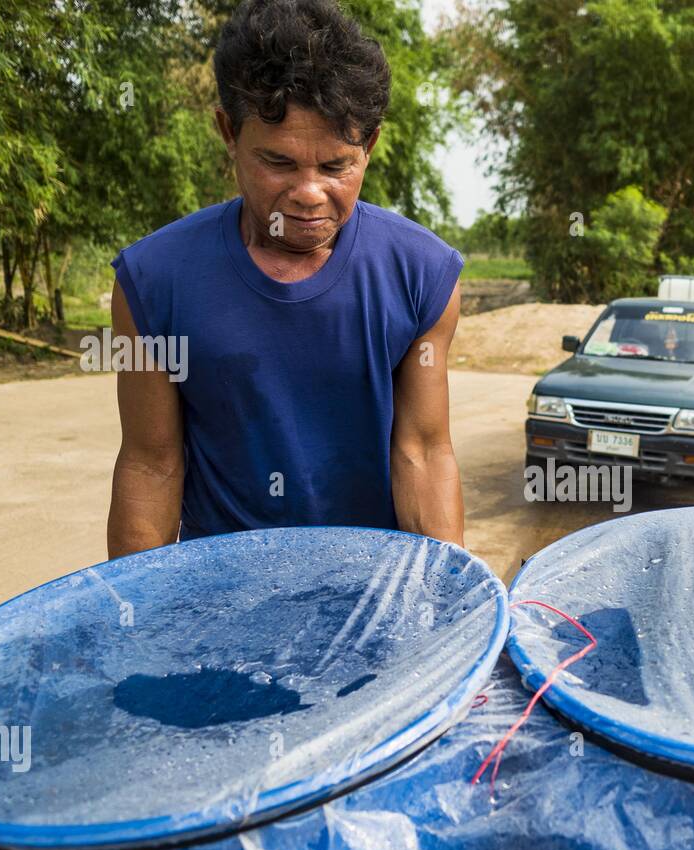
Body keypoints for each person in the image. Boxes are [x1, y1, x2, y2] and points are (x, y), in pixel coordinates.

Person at [107, 0, 464, 558]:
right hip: (222, 598)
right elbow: (151, 464)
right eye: (278, 162)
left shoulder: (422, 274)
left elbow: (422, 450)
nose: (308, 193)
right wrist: (138, 622)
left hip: (372, 590)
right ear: (229, 132)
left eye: (335, 166)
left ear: (368, 146)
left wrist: (449, 600)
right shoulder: (153, 281)